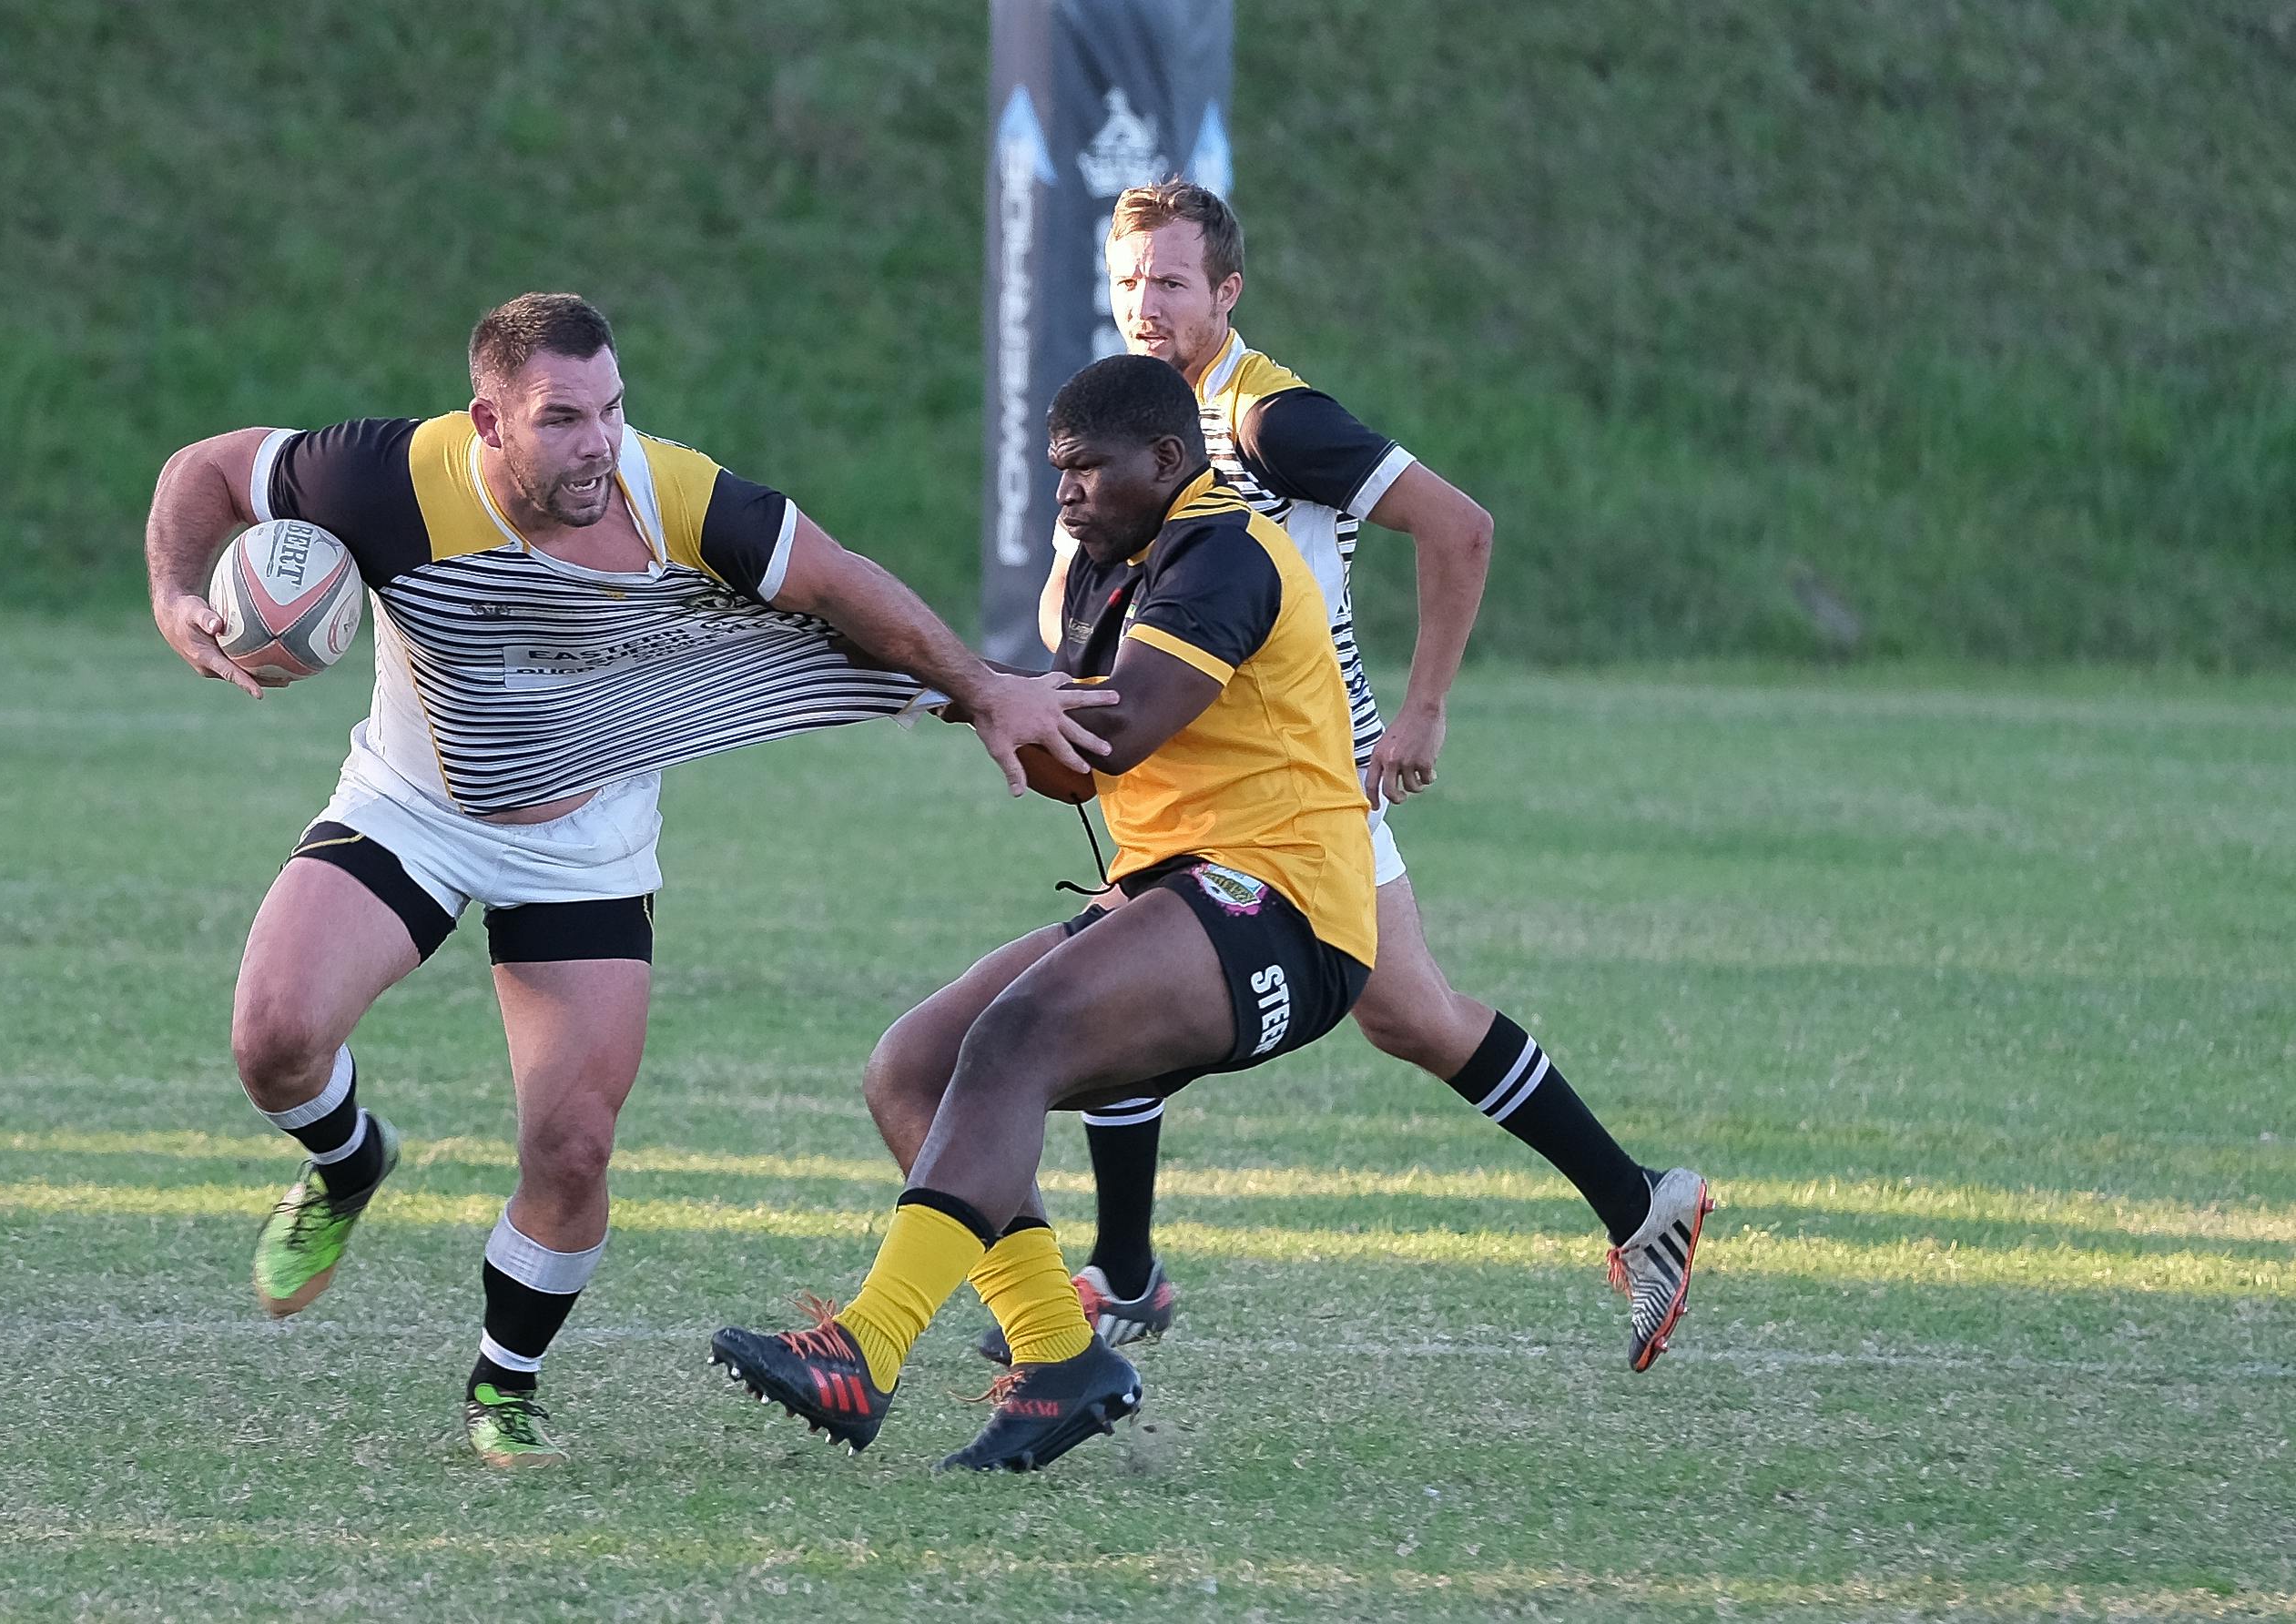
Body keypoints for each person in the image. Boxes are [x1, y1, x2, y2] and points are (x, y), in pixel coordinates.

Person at [142, 292, 1110, 1465]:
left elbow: (842, 586)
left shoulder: (679, 498)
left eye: (611, 409)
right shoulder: (384, 478)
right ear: (487, 420)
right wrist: (175, 593)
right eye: (561, 418)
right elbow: (206, 470)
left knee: (572, 1147)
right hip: (414, 805)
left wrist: (985, 686)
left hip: (583, 838)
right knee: (272, 1039)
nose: (598, 441)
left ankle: (504, 1383)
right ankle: (349, 1161)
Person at [999, 180, 1711, 1373]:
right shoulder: (1140, 423)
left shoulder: (1270, 422)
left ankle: (1642, 1206)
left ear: (1227, 292)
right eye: (1128, 282)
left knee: (1151, 992)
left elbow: (1460, 527)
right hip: (1211, 774)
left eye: (1171, 281)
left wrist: (1422, 711)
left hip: (1296, 780)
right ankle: (1640, 1206)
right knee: (1400, 1015)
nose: (1145, 303)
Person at [709, 352, 1377, 1472]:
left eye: (1087, 470)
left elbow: (1104, 738)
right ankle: (1060, 1357)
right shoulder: (1119, 564)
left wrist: (938, 673)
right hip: (1180, 887)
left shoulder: (1223, 552)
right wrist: (923, 672)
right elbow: (1069, 759)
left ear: (1168, 461)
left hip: (1287, 906)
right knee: (913, 1065)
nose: (1064, 493)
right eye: (1055, 469)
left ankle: (867, 1348)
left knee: (1018, 1034)